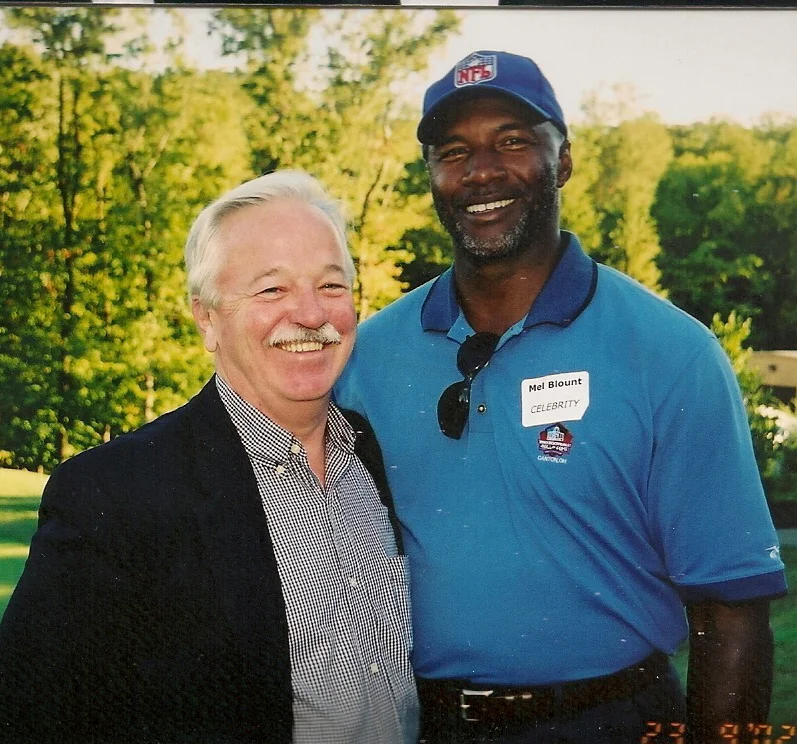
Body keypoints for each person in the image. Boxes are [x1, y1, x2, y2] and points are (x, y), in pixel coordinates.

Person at [334, 50, 787, 744]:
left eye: (512, 141)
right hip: (417, 722)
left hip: (607, 720)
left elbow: (731, 611)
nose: (481, 170)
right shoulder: (366, 356)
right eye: (453, 152)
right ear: (430, 178)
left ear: (563, 160)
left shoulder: (668, 353)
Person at [0, 171, 418, 744]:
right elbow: (35, 715)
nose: (310, 314)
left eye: (331, 285)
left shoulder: (373, 456)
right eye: (271, 289)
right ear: (207, 317)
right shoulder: (115, 494)